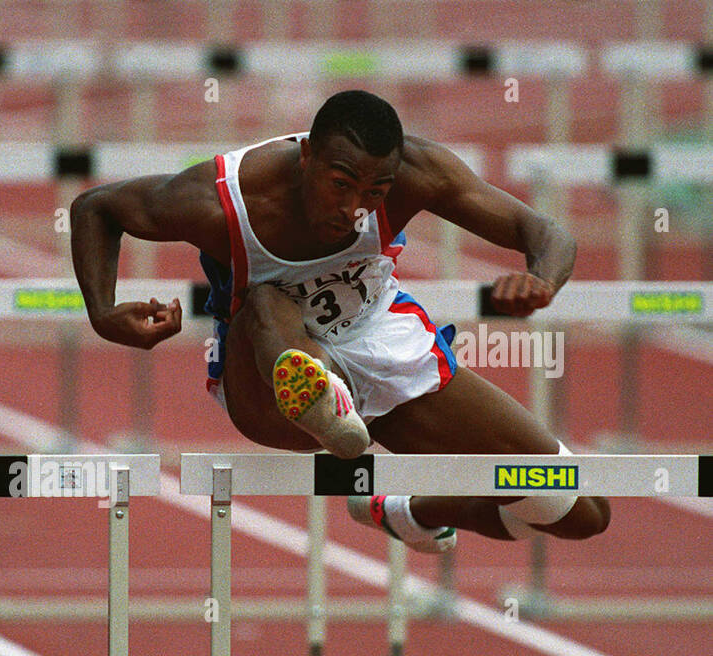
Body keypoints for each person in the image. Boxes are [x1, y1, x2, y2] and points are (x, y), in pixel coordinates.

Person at [70, 90, 609, 551]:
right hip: (266, 374)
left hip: (382, 342)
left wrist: (541, 280)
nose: (354, 209)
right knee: (267, 300)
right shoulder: (226, 200)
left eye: (374, 194)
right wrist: (103, 312)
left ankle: (405, 511)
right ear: (306, 157)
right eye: (341, 184)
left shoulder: (418, 173)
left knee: (577, 509)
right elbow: (98, 207)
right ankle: (321, 394)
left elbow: (545, 232)